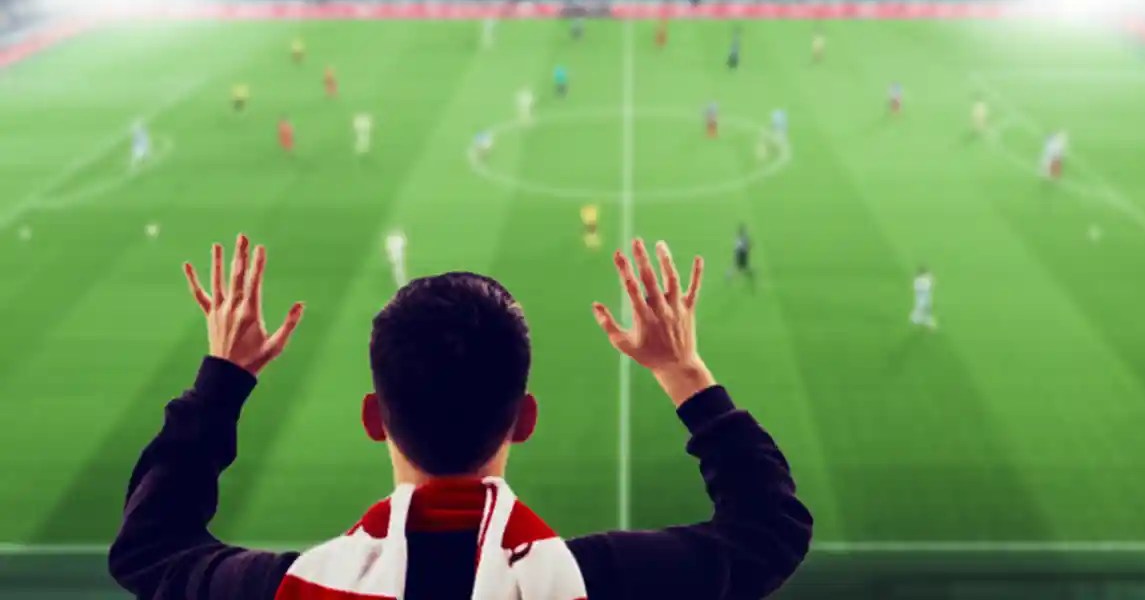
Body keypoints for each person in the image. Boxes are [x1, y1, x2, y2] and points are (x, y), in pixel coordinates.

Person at [109, 235, 812, 600]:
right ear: (525, 417)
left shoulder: (299, 588)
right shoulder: (587, 582)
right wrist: (684, 373)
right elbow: (769, 530)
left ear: (373, 417)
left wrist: (222, 382)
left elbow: (151, 549)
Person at [910, 266, 937, 330]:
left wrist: (930, 279)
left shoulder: (918, 280)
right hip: (923, 301)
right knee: (922, 312)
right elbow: (930, 286)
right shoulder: (922, 281)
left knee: (924, 312)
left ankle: (927, 323)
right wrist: (931, 279)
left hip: (923, 300)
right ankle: (927, 324)